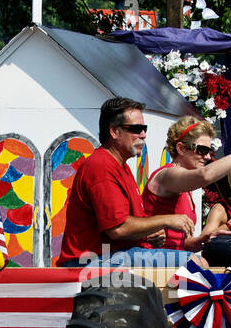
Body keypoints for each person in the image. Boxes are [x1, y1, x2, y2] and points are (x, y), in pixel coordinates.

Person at [58, 97, 195, 267]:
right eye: (136, 129)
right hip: (90, 261)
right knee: (193, 262)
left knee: (196, 261)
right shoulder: (101, 166)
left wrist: (150, 233)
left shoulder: (119, 166)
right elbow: (119, 229)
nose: (143, 134)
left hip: (110, 256)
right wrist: (166, 220)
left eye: (144, 129)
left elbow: (127, 225)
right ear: (114, 131)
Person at [141, 117, 231, 253]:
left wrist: (216, 233)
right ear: (181, 148)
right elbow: (206, 175)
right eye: (202, 150)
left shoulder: (186, 187)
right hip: (152, 258)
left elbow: (186, 244)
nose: (208, 157)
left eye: (209, 151)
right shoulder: (167, 175)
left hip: (175, 258)